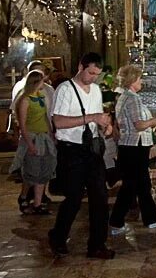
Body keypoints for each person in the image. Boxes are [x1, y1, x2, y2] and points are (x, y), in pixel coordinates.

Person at [48, 53, 115, 260]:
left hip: (91, 149)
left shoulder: (95, 90)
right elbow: (58, 122)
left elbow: (98, 119)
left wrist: (105, 126)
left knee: (100, 197)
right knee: (74, 198)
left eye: (97, 74)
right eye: (90, 73)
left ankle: (97, 245)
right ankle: (58, 236)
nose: (93, 78)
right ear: (80, 67)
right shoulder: (65, 89)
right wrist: (91, 117)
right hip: (71, 150)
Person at [109, 65, 156, 235]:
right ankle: (116, 222)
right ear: (132, 80)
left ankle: (151, 218)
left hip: (130, 145)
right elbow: (139, 125)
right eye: (139, 78)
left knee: (142, 184)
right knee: (131, 185)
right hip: (135, 145)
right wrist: (153, 122)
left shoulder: (123, 97)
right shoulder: (132, 98)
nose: (141, 81)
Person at [9, 60, 55, 212]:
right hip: (32, 137)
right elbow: (22, 123)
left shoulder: (42, 96)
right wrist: (29, 143)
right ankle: (24, 196)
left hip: (44, 136)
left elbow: (46, 116)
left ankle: (37, 202)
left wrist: (51, 134)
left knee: (44, 169)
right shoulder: (24, 99)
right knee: (32, 170)